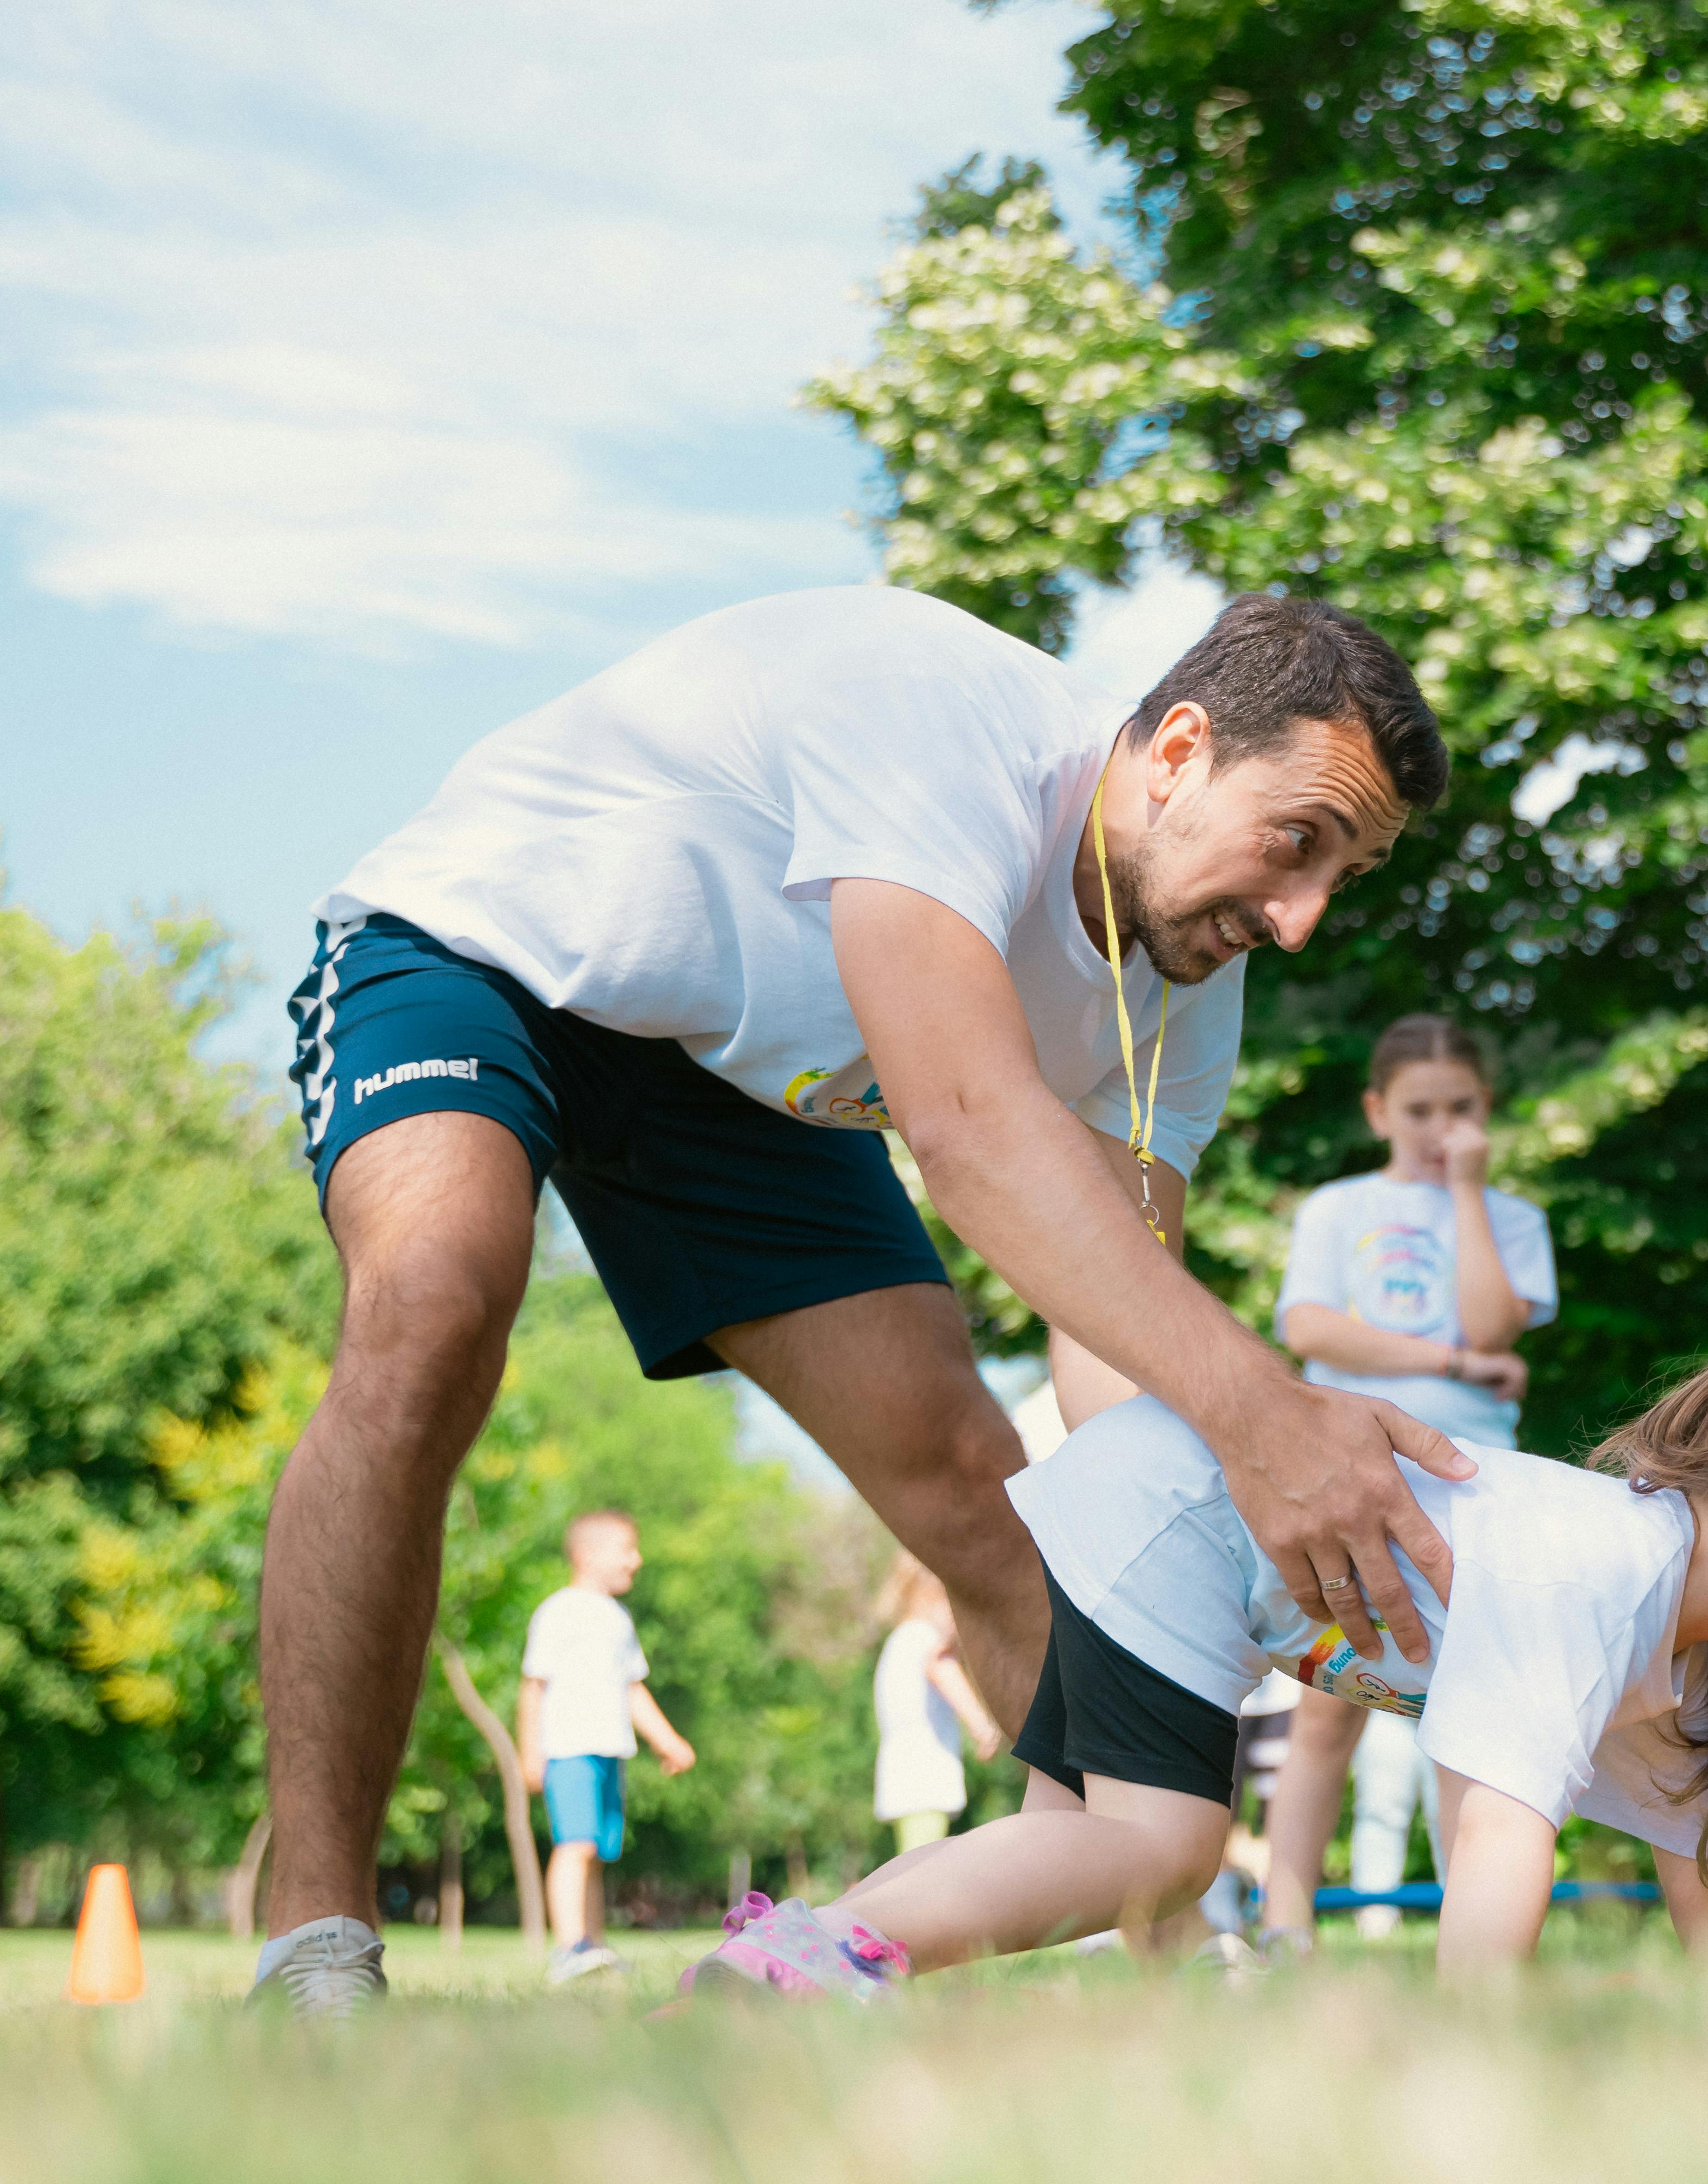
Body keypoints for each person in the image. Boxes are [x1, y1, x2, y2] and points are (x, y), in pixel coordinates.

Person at [247, 586, 1467, 2014]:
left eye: (1347, 876)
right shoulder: (949, 725)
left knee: (978, 1475)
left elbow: (1117, 1340)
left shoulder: (1185, 981)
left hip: (729, 1074)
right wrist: (1269, 1419)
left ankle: (1155, 1942)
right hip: (486, 959)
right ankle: (313, 1945)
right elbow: (962, 1122)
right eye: (1298, 844)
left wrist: (1230, 1529)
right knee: (436, 1303)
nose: (1304, 918)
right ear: (1180, 747)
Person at [675, 1298, 1708, 1996]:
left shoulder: (1672, 1674)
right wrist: (1475, 2047)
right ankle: (801, 1963)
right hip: (1183, 1515)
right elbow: (1496, 1835)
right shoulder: (1604, 1567)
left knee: (1062, 1855)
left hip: (1171, 1513)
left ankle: (796, 1960)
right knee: (1152, 1851)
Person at [1259, 1013, 1555, 1943]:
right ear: (1377, 1110)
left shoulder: (1513, 1219)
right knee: (1324, 1714)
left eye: (1460, 1107)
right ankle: (1285, 1928)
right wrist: (1457, 1364)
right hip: (1352, 1475)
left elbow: (1495, 1322)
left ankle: (1472, 1931)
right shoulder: (1336, 1209)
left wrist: (1468, 1192)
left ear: (1487, 1108)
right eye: (1419, 1109)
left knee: (1464, 1716)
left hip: (1474, 1482)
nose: (1439, 1128)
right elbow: (1311, 1329)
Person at [515, 1511, 696, 1984]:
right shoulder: (558, 1611)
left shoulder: (618, 1618)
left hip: (609, 1749)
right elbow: (533, 1686)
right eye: (627, 1550)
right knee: (574, 1845)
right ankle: (568, 1948)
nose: (637, 1560)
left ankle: (592, 1945)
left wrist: (668, 1740)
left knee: (595, 1851)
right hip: (569, 1748)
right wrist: (529, 1752)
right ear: (587, 1555)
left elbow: (632, 1689)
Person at [874, 1554, 1002, 1857]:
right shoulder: (926, 1639)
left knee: (910, 1859)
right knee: (921, 1866)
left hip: (901, 1773)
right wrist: (983, 1728)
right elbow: (942, 1668)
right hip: (926, 1775)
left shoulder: (899, 1640)